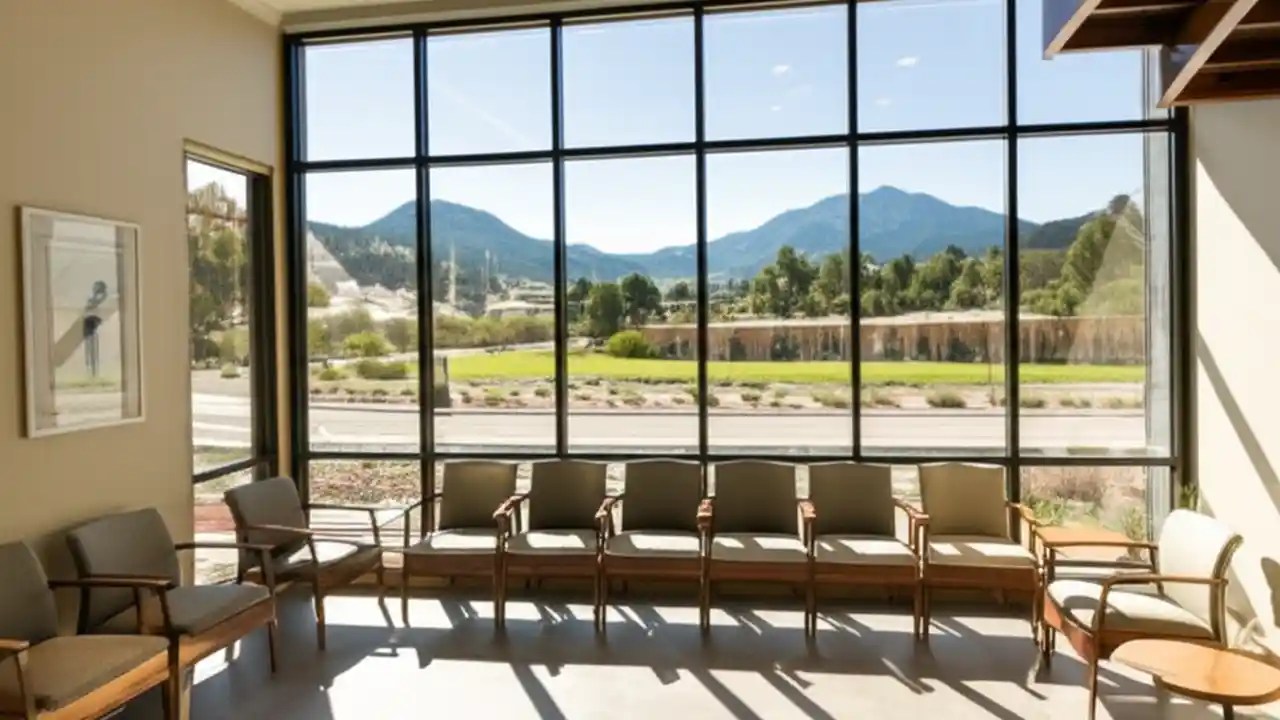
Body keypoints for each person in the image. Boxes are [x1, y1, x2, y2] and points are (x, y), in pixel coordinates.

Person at [83, 280, 108, 377]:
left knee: (93, 351)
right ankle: (90, 371)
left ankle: (94, 372)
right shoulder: (92, 299)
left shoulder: (100, 299)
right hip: (89, 326)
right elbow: (89, 306)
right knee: (90, 350)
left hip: (93, 327)